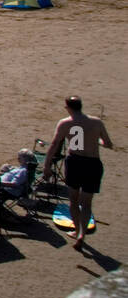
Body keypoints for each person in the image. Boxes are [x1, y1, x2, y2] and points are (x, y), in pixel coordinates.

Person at [43, 95, 113, 250]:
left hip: (75, 162)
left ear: (68, 107)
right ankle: (82, 234)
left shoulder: (65, 123)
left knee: (74, 201)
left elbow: (54, 144)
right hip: (93, 164)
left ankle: (77, 230)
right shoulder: (96, 122)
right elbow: (108, 144)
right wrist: (96, 140)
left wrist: (47, 165)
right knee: (86, 203)